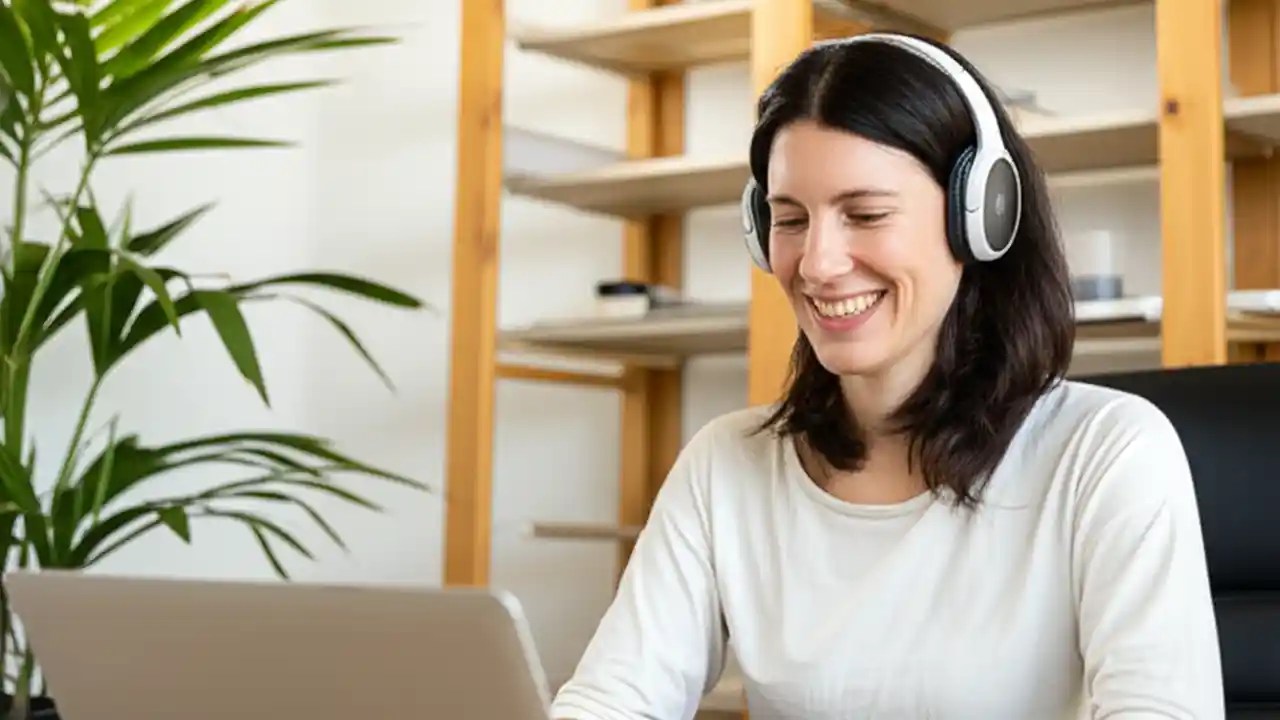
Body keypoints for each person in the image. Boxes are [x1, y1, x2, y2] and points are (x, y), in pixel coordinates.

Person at [549, 32, 1223, 720]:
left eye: (865, 215)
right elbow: (611, 700)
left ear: (980, 216)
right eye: (790, 219)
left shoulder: (1106, 454)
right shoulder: (728, 465)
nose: (818, 263)